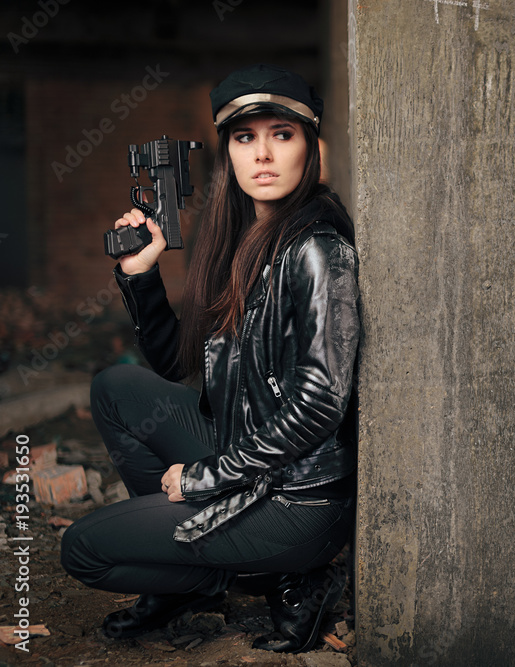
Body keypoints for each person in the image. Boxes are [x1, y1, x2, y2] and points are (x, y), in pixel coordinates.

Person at [60, 64, 360, 654]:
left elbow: (320, 402)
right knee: (115, 388)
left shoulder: (318, 251)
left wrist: (204, 478)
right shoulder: (241, 240)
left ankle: (276, 573)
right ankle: (190, 578)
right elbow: (176, 363)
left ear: (311, 145)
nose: (264, 154)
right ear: (228, 152)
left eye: (283, 134)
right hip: (249, 456)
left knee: (84, 550)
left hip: (295, 499)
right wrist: (141, 275)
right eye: (246, 138)